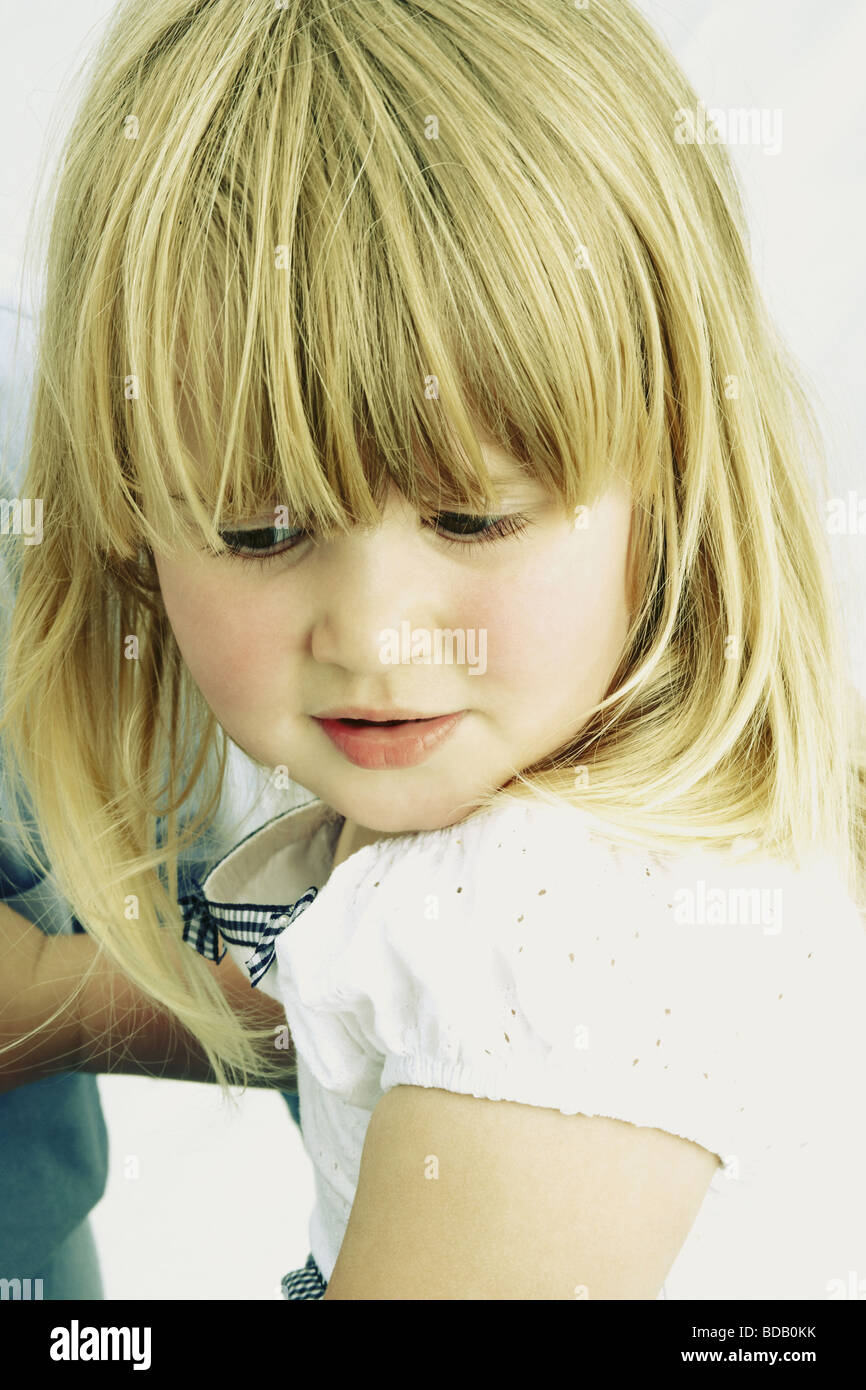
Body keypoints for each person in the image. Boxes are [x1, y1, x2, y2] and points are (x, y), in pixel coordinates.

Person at [2, 0, 865, 1300]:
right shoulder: (591, 812)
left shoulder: (540, 967)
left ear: (675, 465)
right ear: (131, 517)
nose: (375, 636)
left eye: (472, 517)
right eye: (257, 530)